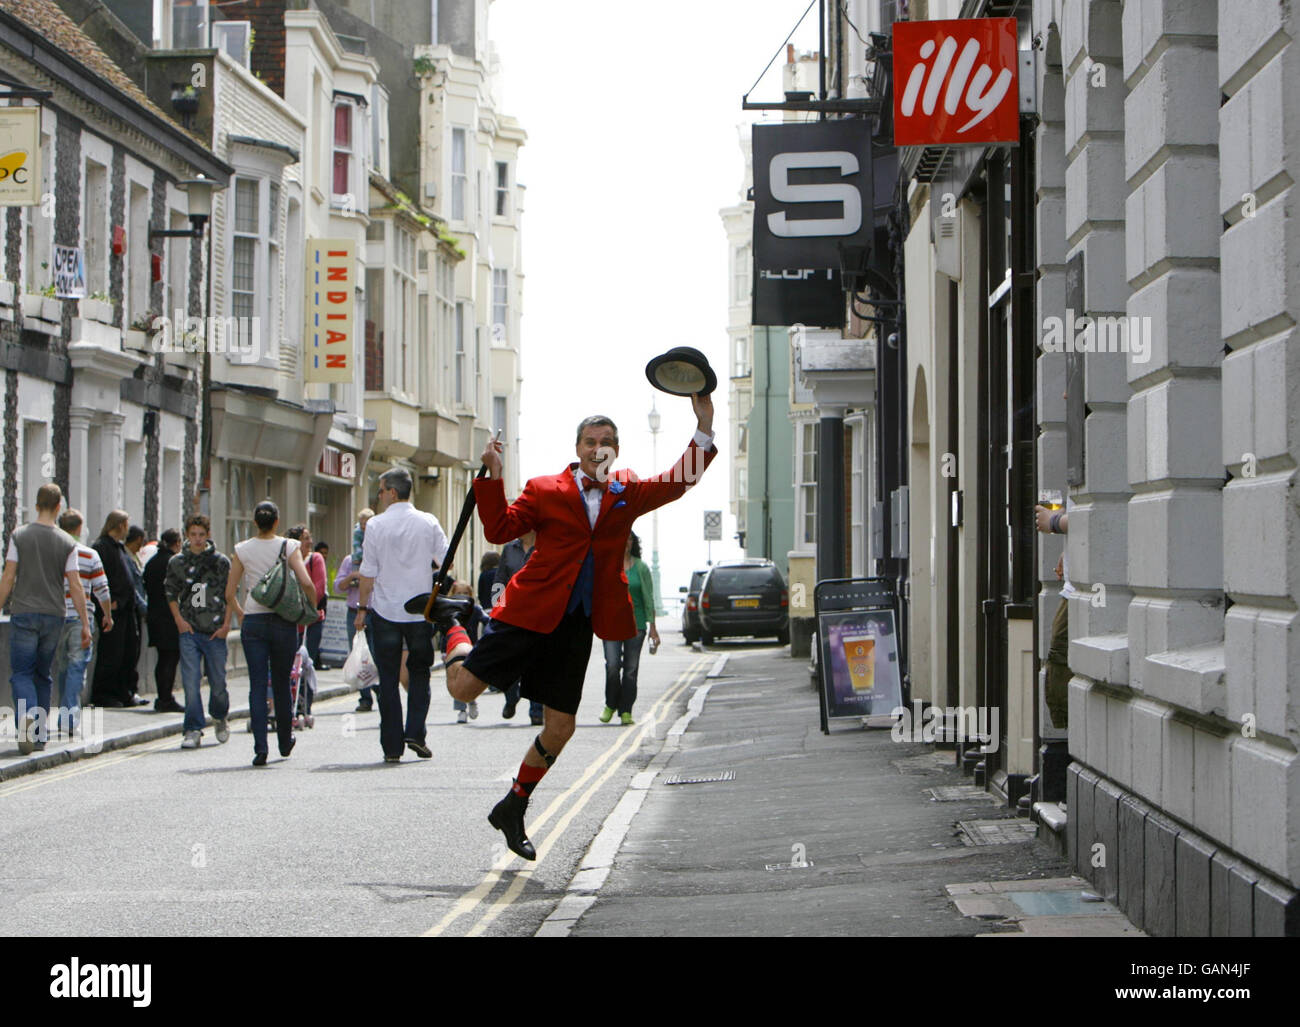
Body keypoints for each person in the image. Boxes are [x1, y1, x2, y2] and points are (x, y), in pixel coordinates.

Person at [444, 395, 715, 860]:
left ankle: (513, 805)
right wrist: (492, 474)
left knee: (561, 727)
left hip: (576, 623)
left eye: (607, 442)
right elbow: (498, 528)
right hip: (528, 611)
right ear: (578, 448)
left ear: (617, 450)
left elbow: (677, 482)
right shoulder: (544, 488)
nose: (599, 448)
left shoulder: (626, 490)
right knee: (464, 688)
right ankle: (454, 623)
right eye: (591, 441)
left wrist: (703, 424)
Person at [357, 467, 448, 762]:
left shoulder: (376, 526)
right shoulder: (428, 521)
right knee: (420, 674)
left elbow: (368, 572)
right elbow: (445, 560)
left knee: (387, 679)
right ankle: (416, 732)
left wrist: (361, 609)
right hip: (420, 611)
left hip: (385, 611)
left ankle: (392, 747)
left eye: (381, 490)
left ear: (392, 492)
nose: (379, 495)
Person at [0, 483, 91, 753]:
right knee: (43, 674)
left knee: (22, 673)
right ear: (59, 506)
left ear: (37, 504)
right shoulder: (67, 542)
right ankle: (38, 735)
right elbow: (75, 585)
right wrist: (85, 624)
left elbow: (8, 577)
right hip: (55, 616)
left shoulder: (19, 535)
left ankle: (26, 715)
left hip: (24, 612)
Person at [227, 501, 317, 766]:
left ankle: (260, 749)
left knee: (257, 684)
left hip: (253, 621)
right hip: (282, 621)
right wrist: (309, 609)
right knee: (281, 682)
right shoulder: (289, 546)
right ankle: (285, 742)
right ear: (277, 521)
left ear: (256, 522)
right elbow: (306, 582)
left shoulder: (241, 550)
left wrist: (242, 613)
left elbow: (228, 593)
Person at [167, 515, 232, 750]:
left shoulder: (221, 562)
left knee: (218, 683)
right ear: (187, 535)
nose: (197, 539)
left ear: (208, 535)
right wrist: (179, 621)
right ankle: (193, 728)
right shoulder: (177, 562)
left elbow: (230, 596)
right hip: (190, 631)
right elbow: (170, 593)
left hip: (215, 631)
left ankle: (219, 715)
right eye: (193, 535)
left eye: (201, 535)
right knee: (191, 682)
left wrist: (226, 625)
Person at [52, 509, 113, 738]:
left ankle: (65, 712)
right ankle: (69, 718)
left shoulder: (54, 553)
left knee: (63, 666)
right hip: (81, 617)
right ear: (79, 528)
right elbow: (102, 589)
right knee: (77, 667)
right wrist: (107, 614)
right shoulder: (89, 554)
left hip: (56, 616)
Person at [601, 531, 658, 726]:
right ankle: (610, 704)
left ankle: (625, 710)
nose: (625, 542)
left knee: (631, 670)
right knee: (612, 665)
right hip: (611, 624)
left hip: (636, 624)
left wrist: (653, 628)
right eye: (621, 537)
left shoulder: (641, 568)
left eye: (629, 538)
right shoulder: (608, 565)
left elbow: (648, 598)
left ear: (633, 542)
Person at [90, 510, 143, 708]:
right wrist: (106, 604)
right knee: (111, 654)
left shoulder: (118, 548)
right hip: (112, 610)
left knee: (127, 653)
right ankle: (103, 694)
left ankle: (123, 691)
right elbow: (99, 578)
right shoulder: (101, 547)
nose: (127, 530)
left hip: (126, 609)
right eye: (126, 525)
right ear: (119, 525)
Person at [494, 531, 542, 724]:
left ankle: (537, 711)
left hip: (538, 613)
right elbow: (499, 580)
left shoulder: (544, 547)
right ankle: (511, 697)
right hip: (512, 614)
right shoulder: (509, 549)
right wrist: (497, 610)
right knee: (511, 660)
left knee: (536, 663)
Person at [1035, 498, 1071, 730]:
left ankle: (1067, 723)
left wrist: (1054, 521)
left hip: (1081, 592)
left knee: (1059, 653)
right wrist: (1069, 553)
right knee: (1059, 654)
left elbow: (1093, 512)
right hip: (1076, 587)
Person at [334, 508, 376, 711]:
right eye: (361, 526)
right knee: (358, 655)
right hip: (353, 612)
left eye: (367, 525)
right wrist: (352, 577)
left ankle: (380, 691)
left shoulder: (378, 558)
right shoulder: (350, 561)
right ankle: (365, 698)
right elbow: (337, 586)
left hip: (374, 612)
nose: (364, 530)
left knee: (375, 654)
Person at [144, 529, 184, 713]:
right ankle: (165, 698)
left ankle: (163, 696)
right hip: (170, 617)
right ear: (176, 543)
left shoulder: (152, 563)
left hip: (154, 615)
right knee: (170, 658)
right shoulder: (174, 563)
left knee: (163, 658)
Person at [446, 580, 489, 723]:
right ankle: (461, 710)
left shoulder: (475, 609)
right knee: (456, 679)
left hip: (471, 648)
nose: (462, 596)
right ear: (452, 594)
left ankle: (471, 700)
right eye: (458, 593)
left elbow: (486, 620)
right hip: (452, 649)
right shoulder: (449, 610)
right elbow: (441, 629)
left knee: (469, 678)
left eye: (465, 593)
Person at [285, 525, 327, 669]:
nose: (310, 542)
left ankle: (306, 692)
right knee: (289, 665)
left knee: (306, 666)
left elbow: (318, 589)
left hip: (311, 620)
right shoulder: (286, 561)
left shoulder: (315, 559)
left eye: (310, 538)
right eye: (305, 538)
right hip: (290, 622)